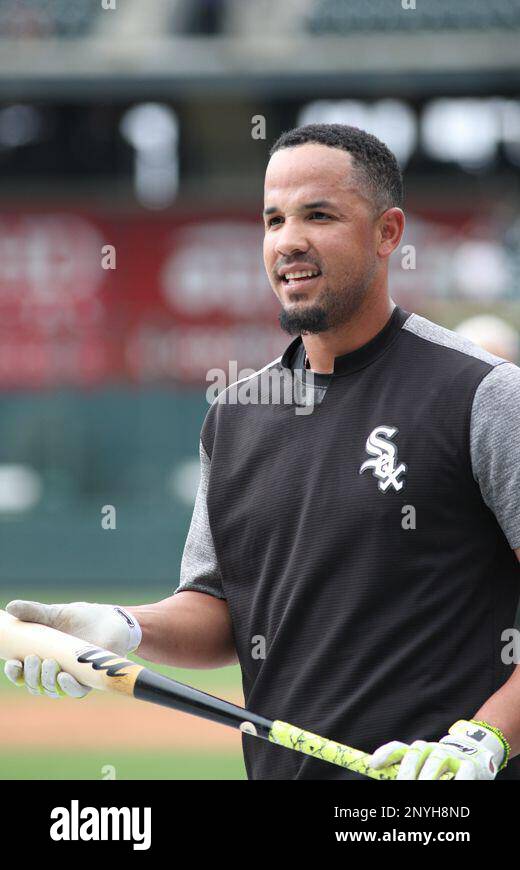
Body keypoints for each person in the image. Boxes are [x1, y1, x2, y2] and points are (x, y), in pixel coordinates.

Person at [5, 124, 520, 780]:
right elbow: (219, 607)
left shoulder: (484, 396)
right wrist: (120, 628)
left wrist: (484, 740)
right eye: (273, 219)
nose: (289, 241)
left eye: (319, 215)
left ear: (388, 233)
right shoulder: (235, 417)